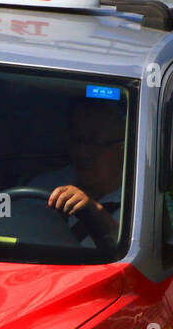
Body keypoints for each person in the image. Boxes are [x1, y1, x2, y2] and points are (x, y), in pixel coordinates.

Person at [27, 97, 127, 237]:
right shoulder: (43, 186)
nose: (81, 153)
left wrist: (95, 213)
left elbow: (138, 250)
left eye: (94, 142)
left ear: (123, 147)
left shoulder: (140, 202)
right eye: (76, 139)